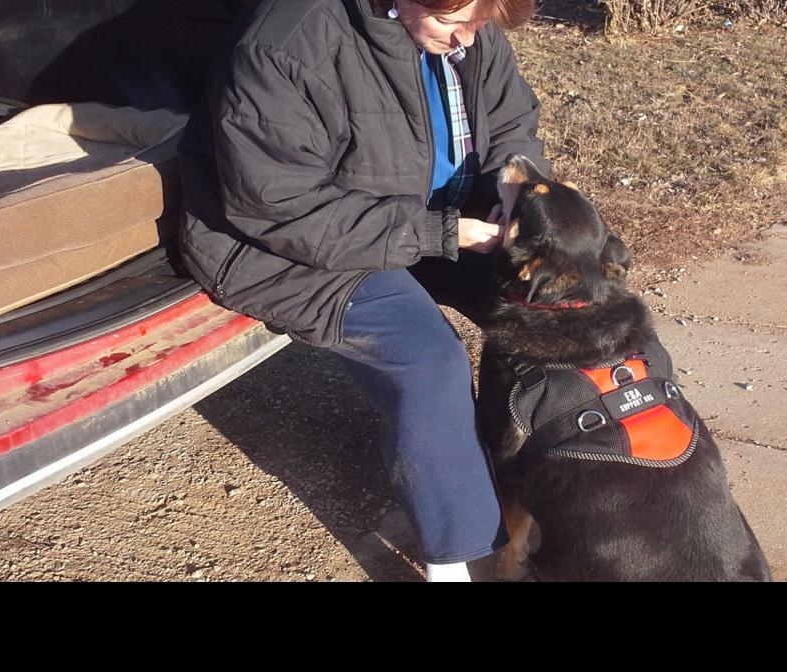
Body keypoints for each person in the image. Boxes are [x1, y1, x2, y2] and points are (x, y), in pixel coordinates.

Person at [176, 0, 549, 581]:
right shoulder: (287, 41)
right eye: (455, 24)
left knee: (553, 299)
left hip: (424, 219)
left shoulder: (463, 28)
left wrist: (512, 191)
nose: (469, 42)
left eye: (480, 26)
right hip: (280, 246)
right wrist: (440, 233)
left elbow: (510, 121)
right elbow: (275, 204)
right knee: (427, 361)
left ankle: (558, 473)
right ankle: (460, 559)